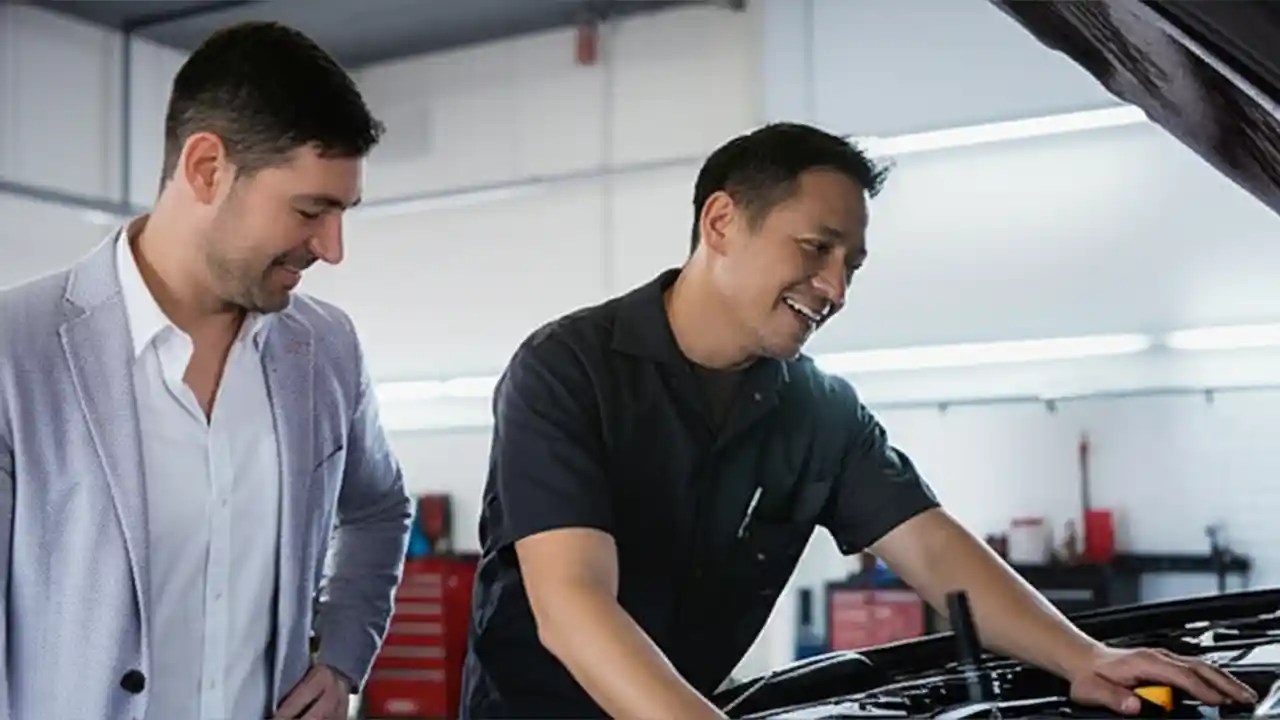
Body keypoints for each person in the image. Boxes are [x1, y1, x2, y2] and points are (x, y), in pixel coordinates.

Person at [459, 122, 1258, 719]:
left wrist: (1084, 655)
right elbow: (573, 609)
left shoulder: (818, 407)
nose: (835, 289)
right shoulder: (567, 371)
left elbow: (931, 543)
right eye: (815, 248)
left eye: (852, 267)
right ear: (720, 223)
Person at [0, 21, 413, 720]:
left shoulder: (328, 350)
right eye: (311, 210)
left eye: (343, 213)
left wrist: (343, 657)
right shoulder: (18, 353)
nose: (332, 248)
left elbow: (377, 507)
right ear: (206, 168)